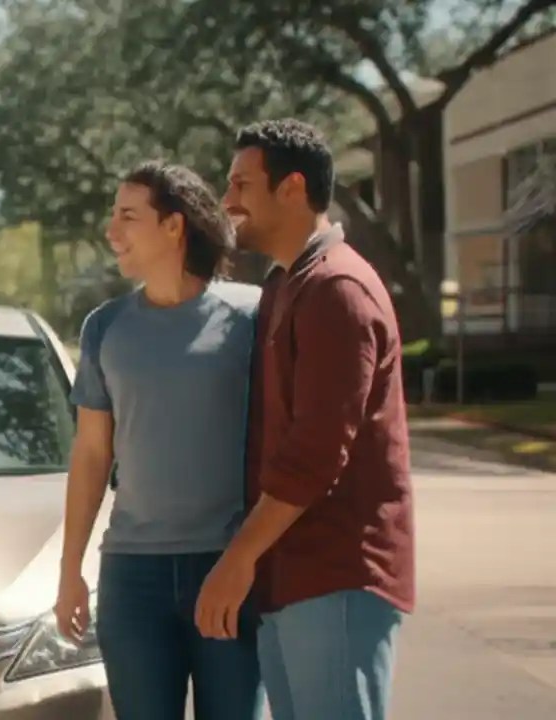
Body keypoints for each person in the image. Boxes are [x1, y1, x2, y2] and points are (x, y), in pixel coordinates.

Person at [195, 118, 415, 720]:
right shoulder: (287, 285)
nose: (228, 201)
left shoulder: (338, 289)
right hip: (290, 577)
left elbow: (315, 455)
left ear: (292, 189)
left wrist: (237, 559)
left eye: (242, 184)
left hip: (338, 576)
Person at [55, 160, 265, 720]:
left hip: (226, 569)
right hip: (132, 577)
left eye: (128, 216)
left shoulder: (252, 317)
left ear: (174, 226)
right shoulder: (105, 327)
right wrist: (70, 569)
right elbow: (93, 454)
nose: (111, 231)